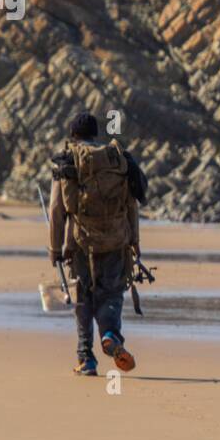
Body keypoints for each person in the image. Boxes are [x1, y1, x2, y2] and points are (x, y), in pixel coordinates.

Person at [47, 112, 139, 376]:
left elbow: (56, 209)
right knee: (111, 293)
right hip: (116, 240)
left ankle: (86, 358)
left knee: (83, 299)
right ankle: (110, 334)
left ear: (73, 135)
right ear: (95, 134)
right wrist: (135, 241)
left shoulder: (67, 160)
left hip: (80, 244)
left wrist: (54, 247)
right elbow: (131, 204)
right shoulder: (116, 157)